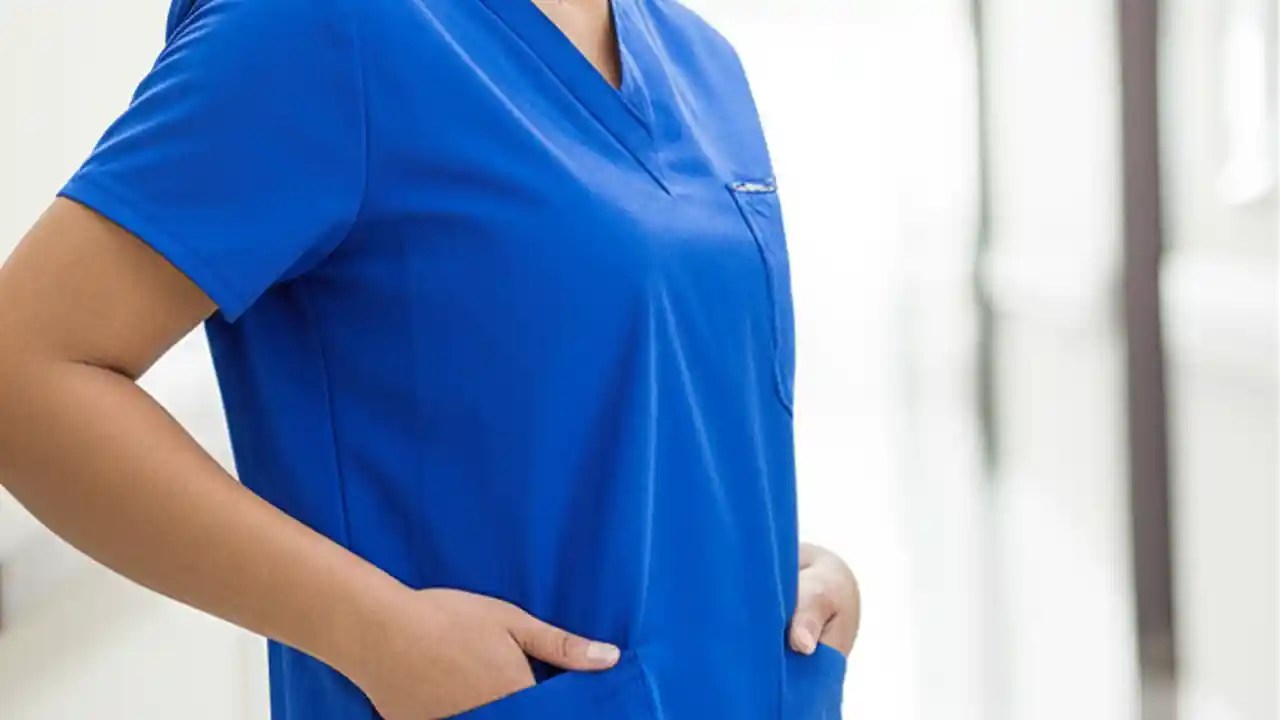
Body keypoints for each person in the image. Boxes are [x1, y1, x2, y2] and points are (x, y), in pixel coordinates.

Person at [0, 0, 860, 718]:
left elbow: (637, 406)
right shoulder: (318, 26)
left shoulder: (698, 60)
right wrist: (374, 628)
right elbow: (24, 369)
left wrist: (767, 565)